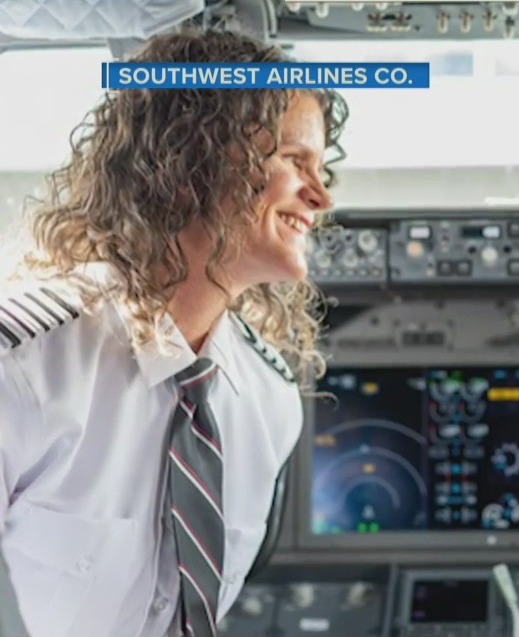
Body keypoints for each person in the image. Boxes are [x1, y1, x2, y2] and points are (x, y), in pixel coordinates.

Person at [0, 27, 347, 637]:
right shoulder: (22, 370)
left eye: (321, 169)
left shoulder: (269, 403)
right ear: (194, 157)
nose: (320, 197)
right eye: (295, 161)